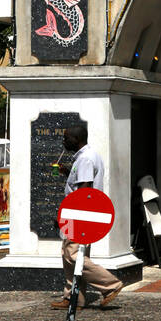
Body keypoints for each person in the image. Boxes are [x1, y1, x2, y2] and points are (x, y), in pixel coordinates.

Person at [50, 123, 124, 310]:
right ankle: (73, 298)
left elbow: (84, 191)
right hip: (82, 213)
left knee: (73, 254)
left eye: (66, 138)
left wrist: (65, 217)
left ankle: (110, 285)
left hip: (80, 214)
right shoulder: (86, 157)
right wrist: (68, 172)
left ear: (77, 139)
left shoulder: (85, 159)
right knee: (70, 254)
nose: (64, 141)